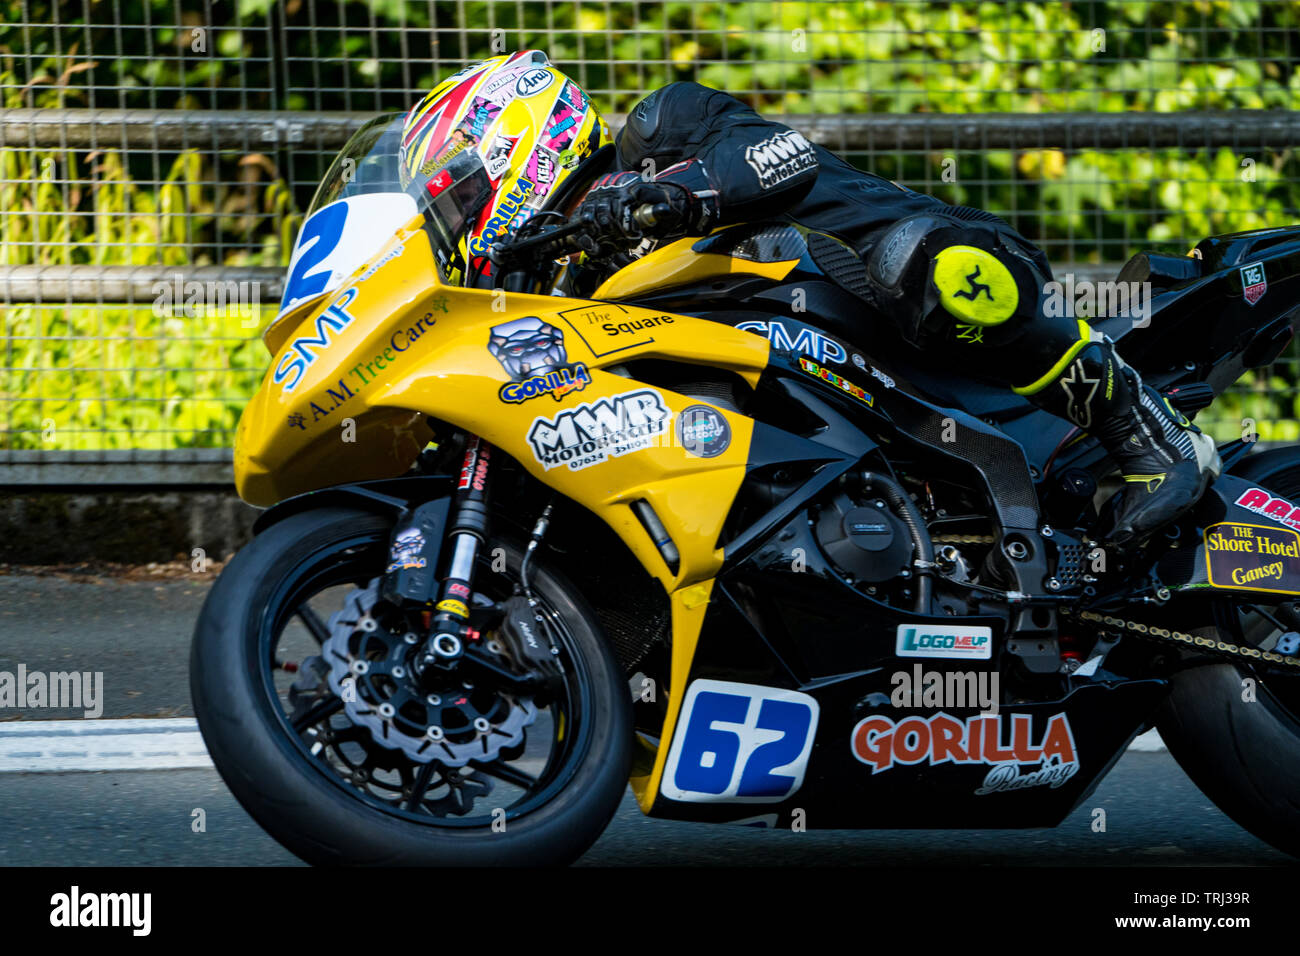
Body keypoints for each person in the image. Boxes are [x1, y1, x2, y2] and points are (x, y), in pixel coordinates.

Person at [399, 51, 1220, 547]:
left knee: (926, 270)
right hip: (811, 394)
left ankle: (1144, 431)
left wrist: (673, 193)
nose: (454, 218)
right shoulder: (566, 287)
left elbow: (781, 155)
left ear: (509, 139)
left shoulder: (659, 131)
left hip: (894, 270)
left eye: (453, 195)